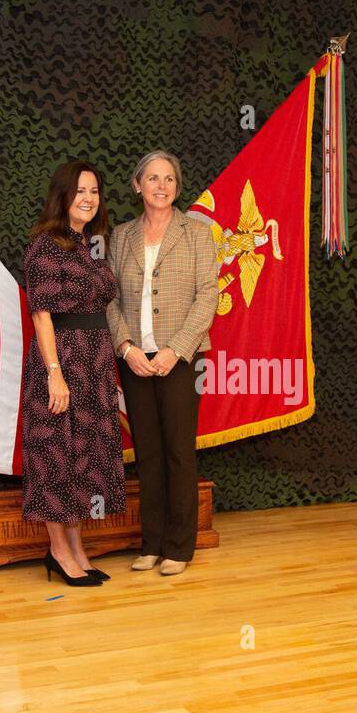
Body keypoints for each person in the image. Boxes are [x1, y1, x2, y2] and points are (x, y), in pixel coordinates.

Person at [106, 151, 218, 577]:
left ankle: (178, 545)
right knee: (147, 453)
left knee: (177, 452)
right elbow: (110, 299)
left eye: (169, 178)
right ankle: (150, 542)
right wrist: (127, 347)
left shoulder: (197, 235)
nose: (161, 185)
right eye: (152, 178)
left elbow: (207, 295)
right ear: (137, 185)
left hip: (180, 359)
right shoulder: (121, 236)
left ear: (177, 185)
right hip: (135, 360)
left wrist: (177, 349)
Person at [20, 160, 126, 587]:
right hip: (61, 358)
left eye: (95, 191)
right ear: (62, 196)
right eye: (80, 190)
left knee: (87, 459)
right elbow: (42, 315)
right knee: (55, 457)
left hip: (96, 363)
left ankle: (78, 548)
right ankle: (58, 552)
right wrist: (54, 374)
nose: (88, 198)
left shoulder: (92, 244)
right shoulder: (46, 245)